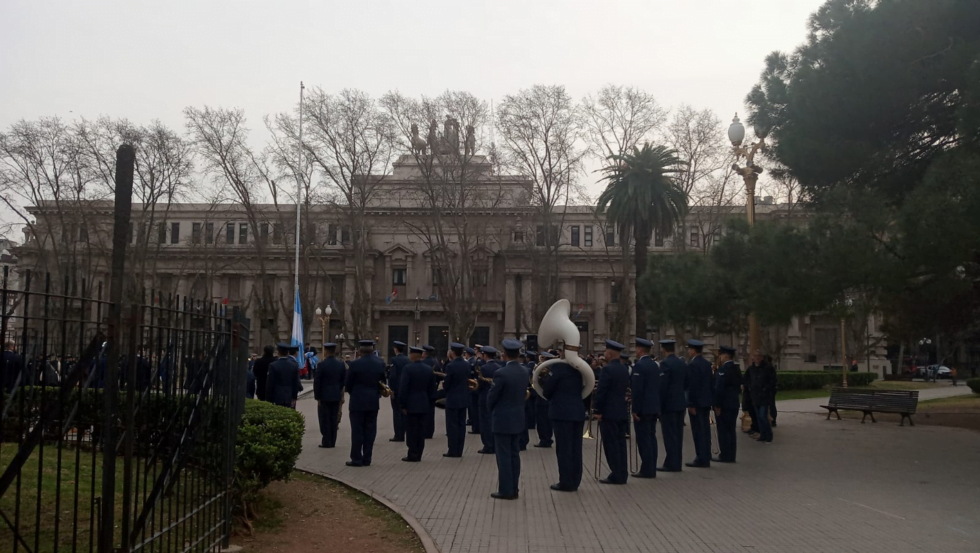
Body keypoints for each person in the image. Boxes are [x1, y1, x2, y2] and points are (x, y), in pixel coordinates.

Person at [540, 348, 585, 491]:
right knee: (576, 448)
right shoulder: (581, 367)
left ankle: (566, 482)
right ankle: (575, 480)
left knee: (564, 448)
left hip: (561, 413)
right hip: (578, 411)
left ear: (564, 353)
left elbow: (547, 391)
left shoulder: (558, 367)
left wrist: (544, 381)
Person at [487, 339, 527, 500]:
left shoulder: (501, 373)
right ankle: (514, 488)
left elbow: (492, 397)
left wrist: (491, 411)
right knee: (514, 455)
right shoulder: (524, 371)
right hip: (518, 417)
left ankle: (505, 490)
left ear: (504, 354)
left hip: (502, 419)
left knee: (503, 456)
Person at [592, 340, 630, 485]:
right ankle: (623, 472)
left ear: (609, 354)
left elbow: (601, 392)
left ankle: (616, 474)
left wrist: (597, 410)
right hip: (621, 411)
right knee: (621, 444)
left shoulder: (607, 370)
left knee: (611, 445)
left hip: (608, 413)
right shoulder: (623, 368)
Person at [344, 339, 386, 467]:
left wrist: (353, 392)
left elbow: (348, 384)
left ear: (360, 351)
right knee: (370, 430)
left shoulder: (355, 364)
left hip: (357, 401)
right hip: (373, 401)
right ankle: (367, 458)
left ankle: (356, 458)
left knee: (357, 431)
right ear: (373, 350)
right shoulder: (380, 363)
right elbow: (383, 382)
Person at [399, 346, 436, 462]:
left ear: (412, 356)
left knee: (411, 430)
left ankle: (412, 453)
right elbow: (432, 388)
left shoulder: (407, 369)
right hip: (424, 403)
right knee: (421, 430)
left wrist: (402, 405)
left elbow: (404, 388)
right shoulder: (428, 369)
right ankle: (419, 453)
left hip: (411, 404)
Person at [630, 338, 660, 478]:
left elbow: (637, 390)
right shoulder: (654, 365)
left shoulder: (639, 366)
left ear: (640, 349)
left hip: (643, 409)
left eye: (636, 348)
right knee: (652, 437)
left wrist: (635, 409)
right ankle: (652, 466)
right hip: (653, 407)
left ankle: (647, 469)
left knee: (644, 440)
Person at [658, 339, 686, 472]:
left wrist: (659, 404)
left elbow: (663, 386)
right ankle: (677, 461)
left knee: (669, 435)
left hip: (668, 405)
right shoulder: (681, 363)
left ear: (664, 349)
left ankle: (671, 463)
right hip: (680, 403)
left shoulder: (665, 364)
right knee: (678, 435)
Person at [684, 339, 713, 468]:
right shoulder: (707, 364)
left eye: (689, 349)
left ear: (693, 350)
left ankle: (701, 457)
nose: (688, 351)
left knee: (698, 431)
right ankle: (706, 454)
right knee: (705, 430)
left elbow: (692, 385)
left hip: (696, 403)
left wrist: (691, 404)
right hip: (706, 402)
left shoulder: (692, 365)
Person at [712, 345, 741, 463]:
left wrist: (717, 405)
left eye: (721, 355)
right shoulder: (736, 368)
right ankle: (731, 454)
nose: (719, 357)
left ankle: (725, 455)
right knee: (731, 430)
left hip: (724, 405)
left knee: (723, 431)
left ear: (725, 356)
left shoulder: (724, 369)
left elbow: (720, 388)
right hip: (734, 403)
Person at [314, 343, 347, 448]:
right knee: (333, 419)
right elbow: (343, 380)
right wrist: (338, 389)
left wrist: (317, 396)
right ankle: (333, 441)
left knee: (324, 419)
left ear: (326, 351)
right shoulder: (341, 364)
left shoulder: (321, 365)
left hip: (324, 396)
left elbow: (317, 382)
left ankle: (326, 441)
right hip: (336, 394)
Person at [442, 342, 471, 457]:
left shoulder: (450, 366)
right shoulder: (466, 364)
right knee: (461, 425)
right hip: (464, 398)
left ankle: (453, 450)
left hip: (452, 399)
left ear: (453, 353)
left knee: (452, 425)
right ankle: (460, 449)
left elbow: (447, 384)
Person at [477, 347, 500, 454]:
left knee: (485, 422)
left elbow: (480, 385)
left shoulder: (484, 368)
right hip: (496, 398)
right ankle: (495, 444)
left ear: (485, 355)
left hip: (484, 397)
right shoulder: (499, 367)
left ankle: (488, 445)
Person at [265, 343, 303, 408]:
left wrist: (268, 399)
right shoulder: (294, 365)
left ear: (278, 352)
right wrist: (294, 397)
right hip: (289, 396)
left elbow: (270, 383)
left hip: (277, 397)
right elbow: (296, 383)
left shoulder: (273, 365)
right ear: (288, 353)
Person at [750, 351, 776, 444]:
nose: (757, 358)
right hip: (755, 396)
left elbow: (773, 381)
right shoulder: (751, 368)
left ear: (762, 357)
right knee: (758, 417)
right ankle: (762, 435)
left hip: (764, 396)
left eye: (759, 356)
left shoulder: (768, 368)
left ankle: (768, 435)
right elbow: (747, 379)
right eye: (755, 356)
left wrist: (766, 389)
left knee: (763, 416)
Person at [387, 341, 410, 442]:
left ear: (395, 349)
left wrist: (391, 389)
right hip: (405, 389)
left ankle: (398, 435)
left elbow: (393, 376)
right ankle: (404, 432)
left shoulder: (394, 360)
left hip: (396, 389)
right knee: (404, 412)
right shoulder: (407, 360)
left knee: (396, 412)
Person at [532, 351, 554, 448]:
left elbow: (546, 383)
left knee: (542, 421)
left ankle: (545, 440)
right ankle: (547, 438)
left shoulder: (548, 371)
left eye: (543, 358)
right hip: (545, 399)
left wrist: (538, 377)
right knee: (546, 421)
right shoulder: (550, 369)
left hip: (542, 398)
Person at [421, 345, 440, 439]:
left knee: (424, 412)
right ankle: (430, 431)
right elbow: (440, 376)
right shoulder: (436, 362)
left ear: (425, 353)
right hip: (433, 390)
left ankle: (424, 431)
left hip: (424, 390)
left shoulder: (423, 363)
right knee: (431, 412)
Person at [466, 346, 481, 435]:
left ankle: (476, 427)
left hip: (474, 387)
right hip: (474, 387)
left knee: (474, 409)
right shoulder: (474, 361)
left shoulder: (474, 362)